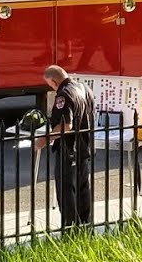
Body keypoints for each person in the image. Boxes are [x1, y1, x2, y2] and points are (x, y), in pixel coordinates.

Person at [35, 65, 96, 230]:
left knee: (67, 192)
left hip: (69, 148)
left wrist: (44, 140)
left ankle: (69, 230)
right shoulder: (84, 89)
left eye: (50, 84)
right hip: (84, 147)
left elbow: (65, 125)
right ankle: (86, 226)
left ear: (54, 81)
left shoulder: (63, 94)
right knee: (83, 190)